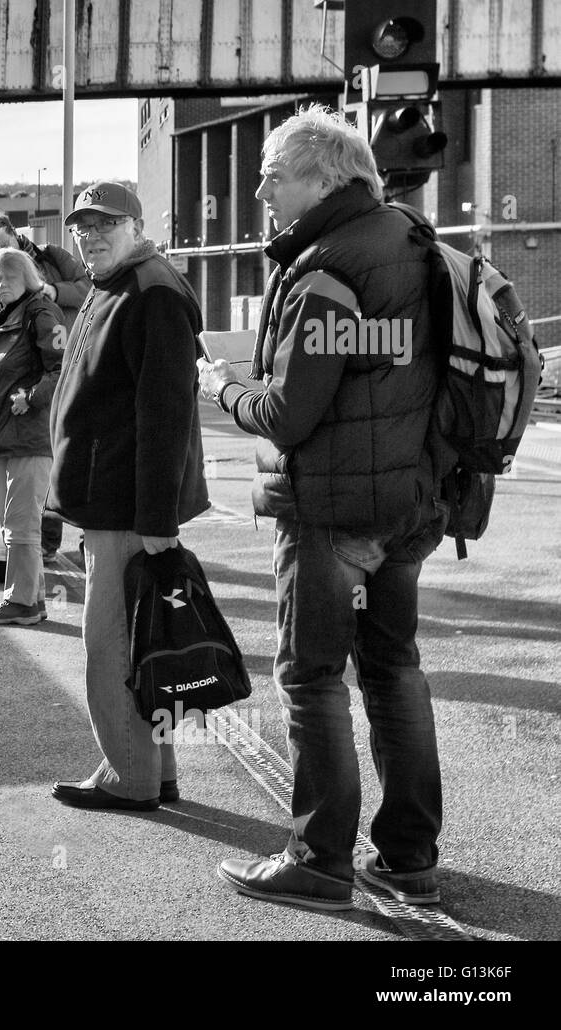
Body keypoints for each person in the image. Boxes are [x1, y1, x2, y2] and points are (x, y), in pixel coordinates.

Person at [197, 105, 446, 912]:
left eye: (272, 173)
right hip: (408, 502)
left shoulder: (328, 267)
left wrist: (223, 385)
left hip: (333, 510)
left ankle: (318, 858)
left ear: (319, 175)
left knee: (311, 680)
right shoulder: (408, 242)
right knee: (393, 670)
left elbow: (290, 415)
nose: (260, 188)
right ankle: (407, 856)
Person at [46, 182, 209, 811]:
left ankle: (129, 776)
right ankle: (153, 769)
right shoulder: (115, 285)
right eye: (81, 227)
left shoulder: (151, 292)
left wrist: (156, 520)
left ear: (136, 226)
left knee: (110, 647)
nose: (89, 236)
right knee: (139, 647)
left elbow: (165, 416)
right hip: (109, 497)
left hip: (124, 506)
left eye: (104, 224)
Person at [0, 211, 90, 561]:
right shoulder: (4, 301)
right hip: (34, 385)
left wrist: (52, 290)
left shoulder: (51, 258)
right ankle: (44, 546)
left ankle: (74, 538)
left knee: (68, 463)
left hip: (65, 363)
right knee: (40, 479)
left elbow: (88, 287)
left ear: (13, 235)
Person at [0, 247, 63, 626]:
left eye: (10, 276)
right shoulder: (6, 317)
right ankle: (30, 600)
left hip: (29, 434)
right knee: (15, 523)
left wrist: (33, 396)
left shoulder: (39, 313)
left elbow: (61, 369)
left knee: (22, 524)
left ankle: (22, 601)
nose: (1, 283)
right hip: (10, 436)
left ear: (26, 277)